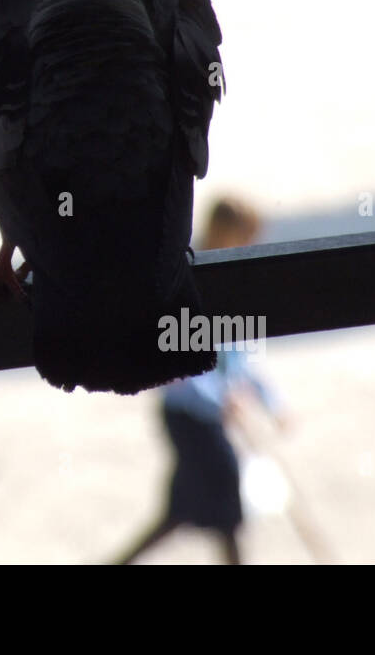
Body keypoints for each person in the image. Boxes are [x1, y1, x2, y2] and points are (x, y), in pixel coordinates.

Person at [114, 197, 284, 565]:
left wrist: (270, 401)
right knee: (224, 501)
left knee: (183, 509)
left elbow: (236, 357)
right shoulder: (188, 276)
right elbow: (177, 364)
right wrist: (218, 401)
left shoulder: (230, 277)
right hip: (189, 414)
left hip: (206, 411)